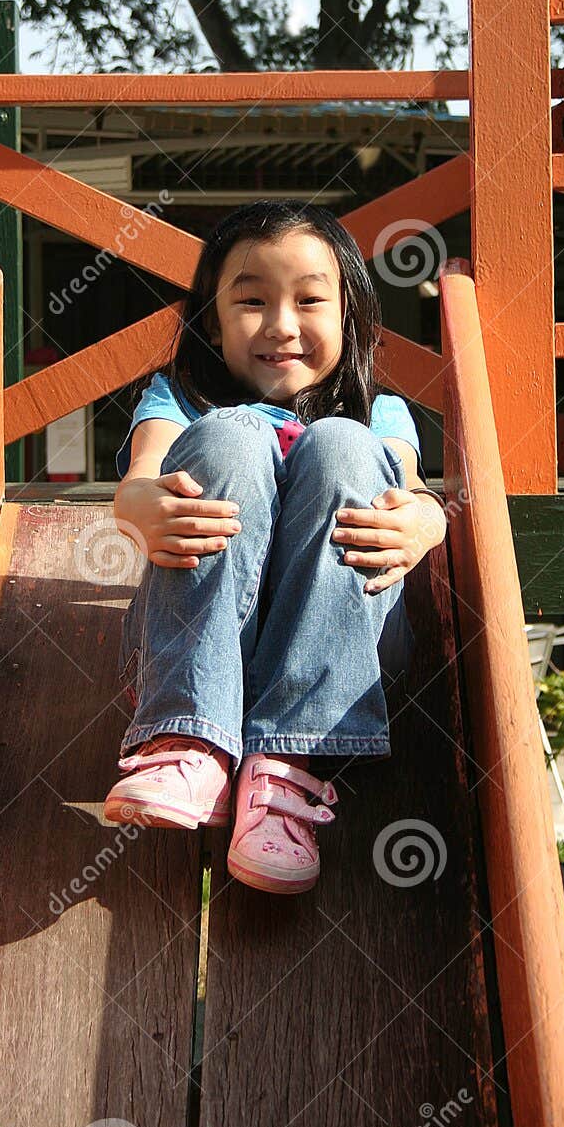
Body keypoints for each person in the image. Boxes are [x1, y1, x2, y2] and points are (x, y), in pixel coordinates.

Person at [103, 198, 447, 893]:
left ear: (348, 314)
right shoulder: (178, 399)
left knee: (341, 443)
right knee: (230, 434)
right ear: (214, 319)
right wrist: (141, 504)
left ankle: (286, 764)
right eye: (252, 301)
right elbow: (141, 482)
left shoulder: (377, 411)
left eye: (310, 300)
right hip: (195, 647)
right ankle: (189, 739)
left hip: (343, 654)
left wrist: (427, 519)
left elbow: (411, 497)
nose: (281, 326)